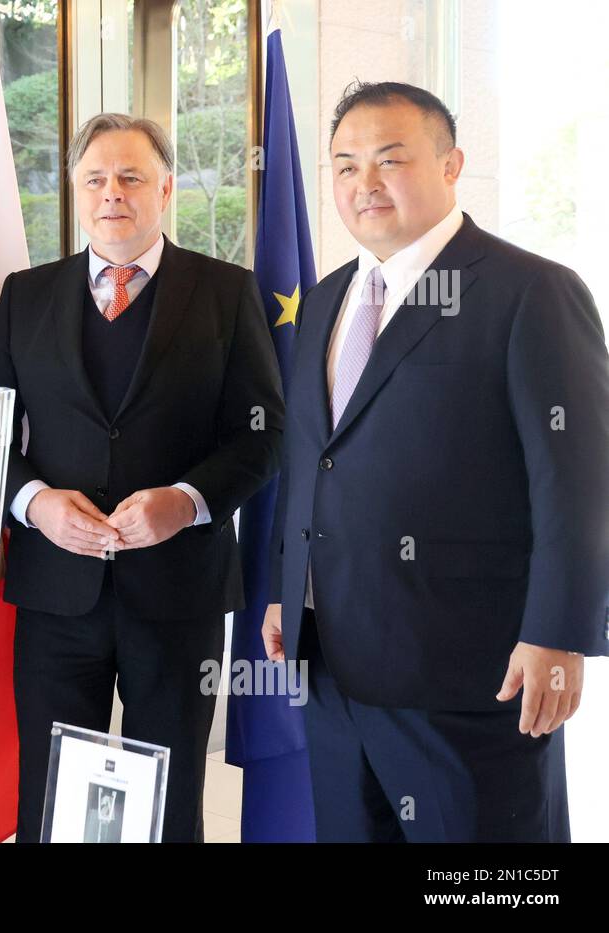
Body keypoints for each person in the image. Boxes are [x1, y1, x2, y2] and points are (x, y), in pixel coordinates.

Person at [262, 81, 609, 842]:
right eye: (346, 165)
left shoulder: (531, 292)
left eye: (390, 159)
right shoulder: (325, 302)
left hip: (472, 677)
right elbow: (312, 461)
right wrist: (293, 590)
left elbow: (578, 484)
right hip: (334, 671)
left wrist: (559, 634)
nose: (365, 183)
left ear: (451, 165)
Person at [0, 114, 285, 842]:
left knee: (170, 795)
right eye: (96, 178)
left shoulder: (227, 292)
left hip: (179, 594)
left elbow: (263, 433)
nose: (112, 191)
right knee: (52, 795)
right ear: (76, 192)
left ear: (166, 188)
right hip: (56, 594)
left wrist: (188, 501)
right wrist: (34, 502)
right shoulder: (25, 296)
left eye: (131, 176)